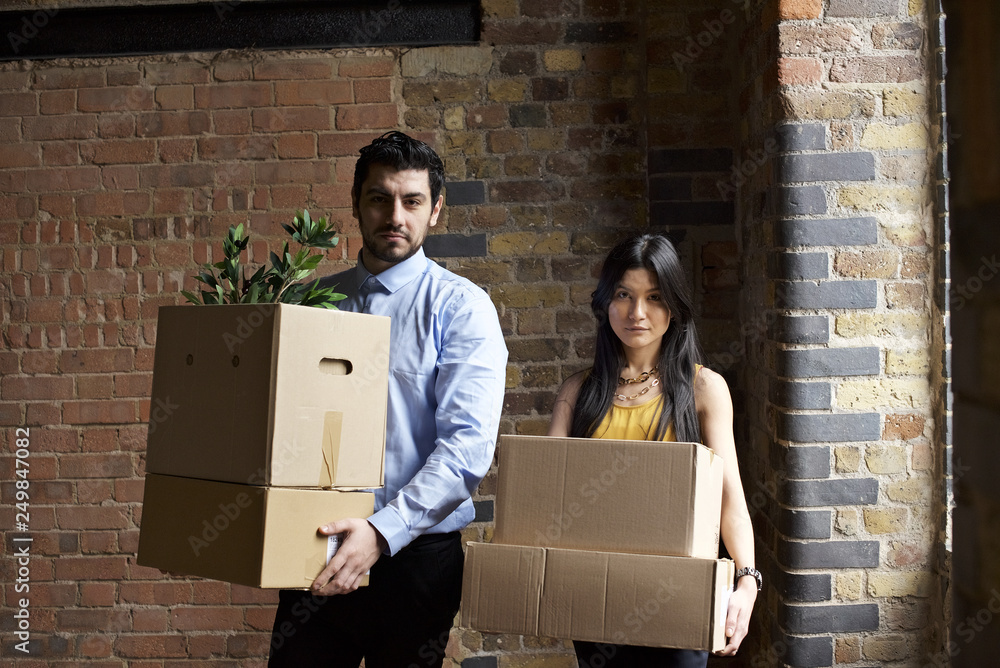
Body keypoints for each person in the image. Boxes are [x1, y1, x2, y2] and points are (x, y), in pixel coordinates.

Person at [268, 131, 508, 667]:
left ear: (436, 210)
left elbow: (466, 449)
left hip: (416, 559)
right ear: (357, 204)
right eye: (379, 198)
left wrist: (381, 532)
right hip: (318, 543)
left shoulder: (462, 309)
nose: (394, 215)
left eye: (412, 200)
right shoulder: (312, 304)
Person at [547, 233, 758, 668]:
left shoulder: (703, 390)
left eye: (654, 297)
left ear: (674, 307)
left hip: (680, 595)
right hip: (596, 599)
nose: (637, 313)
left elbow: (729, 499)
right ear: (606, 303)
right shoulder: (577, 393)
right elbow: (548, 499)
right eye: (623, 294)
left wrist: (747, 582)